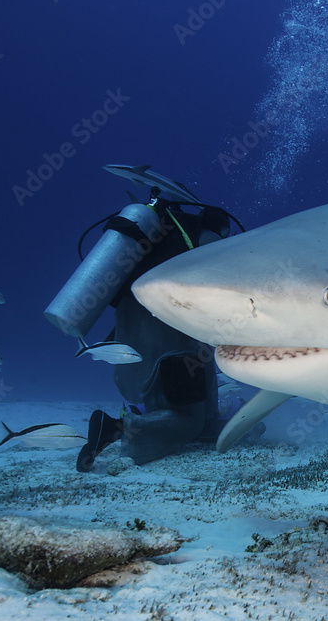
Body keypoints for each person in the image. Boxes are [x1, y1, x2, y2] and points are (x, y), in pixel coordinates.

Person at [75, 191, 237, 472]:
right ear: (219, 228)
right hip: (169, 336)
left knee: (198, 407)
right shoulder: (203, 238)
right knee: (187, 418)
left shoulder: (160, 238)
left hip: (134, 324)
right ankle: (115, 428)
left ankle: (209, 426)